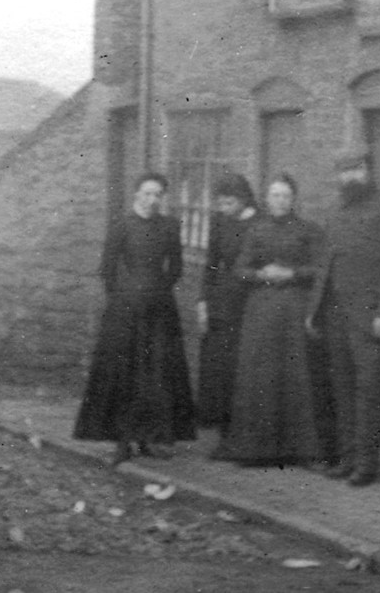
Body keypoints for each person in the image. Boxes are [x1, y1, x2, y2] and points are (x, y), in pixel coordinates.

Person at [306, 146, 380, 487]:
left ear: (368, 170)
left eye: (356, 169)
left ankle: (367, 464)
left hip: (369, 317)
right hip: (336, 313)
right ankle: (347, 457)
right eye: (344, 170)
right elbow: (326, 264)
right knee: (342, 387)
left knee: (368, 389)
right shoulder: (335, 210)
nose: (350, 176)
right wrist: (314, 310)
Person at [73, 171, 195, 464]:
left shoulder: (169, 227)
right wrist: (124, 296)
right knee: (124, 374)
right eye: (147, 194)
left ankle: (148, 438)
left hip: (159, 311)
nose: (152, 200)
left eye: (158, 195)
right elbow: (107, 269)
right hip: (125, 311)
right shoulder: (122, 226)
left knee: (155, 375)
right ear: (137, 195)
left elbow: (176, 267)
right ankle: (122, 441)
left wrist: (157, 290)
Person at [220, 173, 322, 466]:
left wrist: (292, 274)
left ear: (293, 200)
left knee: (294, 375)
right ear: (267, 198)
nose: (280, 201)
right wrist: (261, 274)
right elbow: (240, 268)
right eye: (275, 195)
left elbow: (319, 269)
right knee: (260, 375)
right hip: (261, 309)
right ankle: (256, 449)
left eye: (286, 196)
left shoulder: (308, 230)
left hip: (292, 308)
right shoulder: (257, 230)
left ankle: (299, 450)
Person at [196, 173, 257, 450]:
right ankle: (222, 429)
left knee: (242, 367)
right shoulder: (220, 221)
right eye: (220, 203)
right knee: (219, 367)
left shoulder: (259, 223)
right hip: (222, 301)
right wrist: (202, 302)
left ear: (243, 200)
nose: (224, 208)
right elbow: (210, 264)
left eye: (229, 202)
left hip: (250, 300)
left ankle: (242, 432)